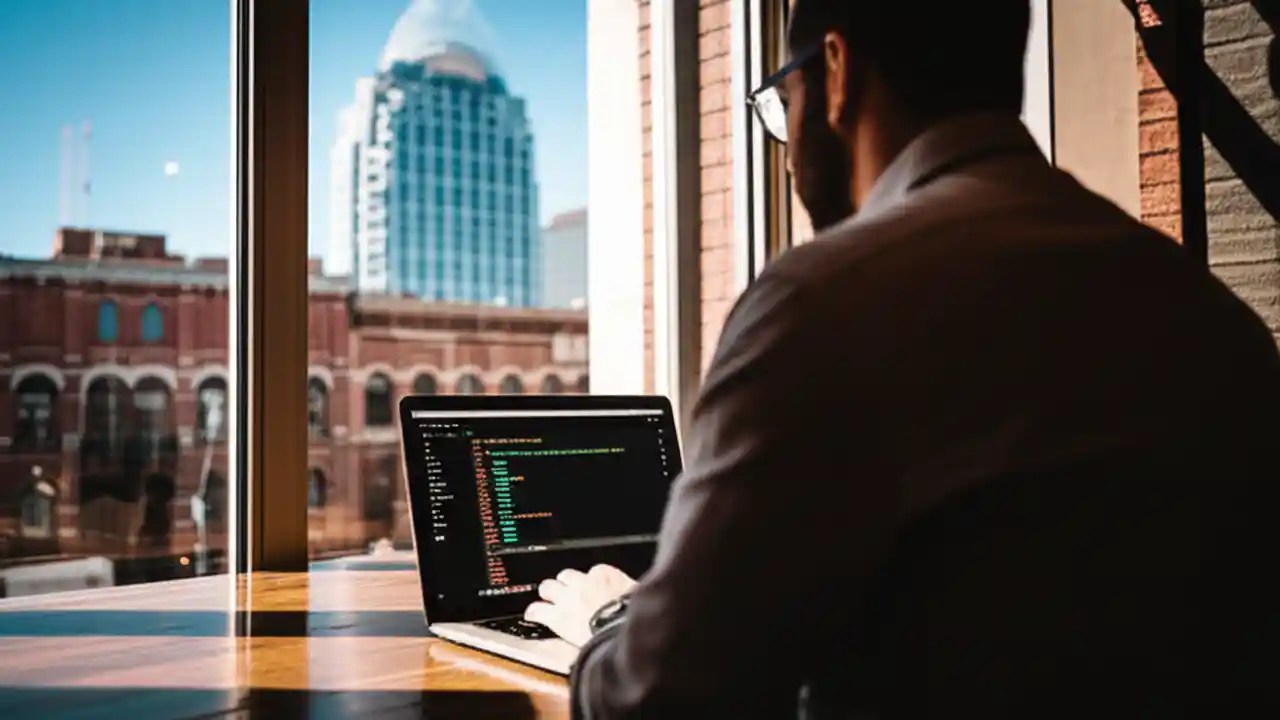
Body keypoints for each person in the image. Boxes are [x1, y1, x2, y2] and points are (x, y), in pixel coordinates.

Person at [527, 1, 1280, 716]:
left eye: (781, 100)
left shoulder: (821, 304)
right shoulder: (1205, 309)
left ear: (836, 68)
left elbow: (655, 700)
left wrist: (610, 621)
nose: (785, 147)